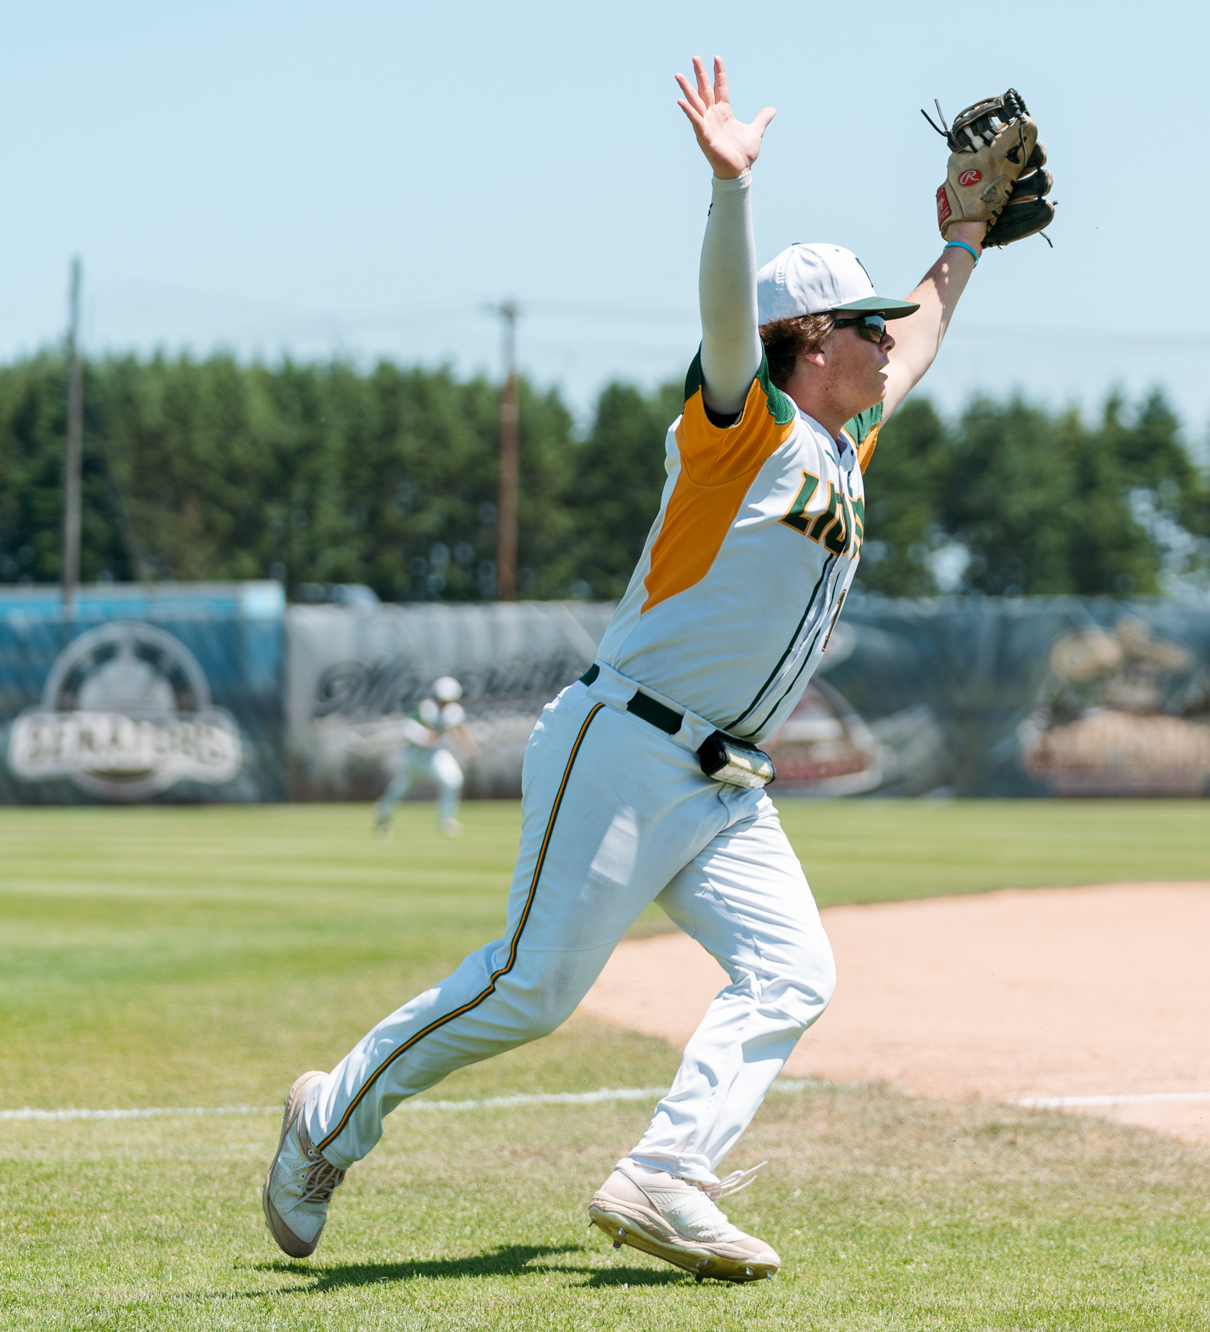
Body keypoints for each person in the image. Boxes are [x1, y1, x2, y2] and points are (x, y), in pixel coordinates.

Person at [264, 55, 990, 1282]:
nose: (887, 335)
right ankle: (328, 1115)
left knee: (792, 971)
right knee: (529, 992)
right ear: (810, 342)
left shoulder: (844, 436)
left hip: (723, 779)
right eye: (864, 321)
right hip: (625, 742)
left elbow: (923, 334)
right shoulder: (741, 426)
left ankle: (664, 1174)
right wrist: (727, 194)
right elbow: (724, 325)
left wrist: (967, 238)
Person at [372, 676, 475, 838]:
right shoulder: (426, 708)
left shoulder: (453, 711)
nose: (446, 703)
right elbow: (411, 729)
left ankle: (446, 819)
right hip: (416, 755)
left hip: (435, 754)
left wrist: (469, 749)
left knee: (453, 780)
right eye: (444, 699)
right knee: (401, 788)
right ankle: (384, 814)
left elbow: (459, 730)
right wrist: (425, 736)